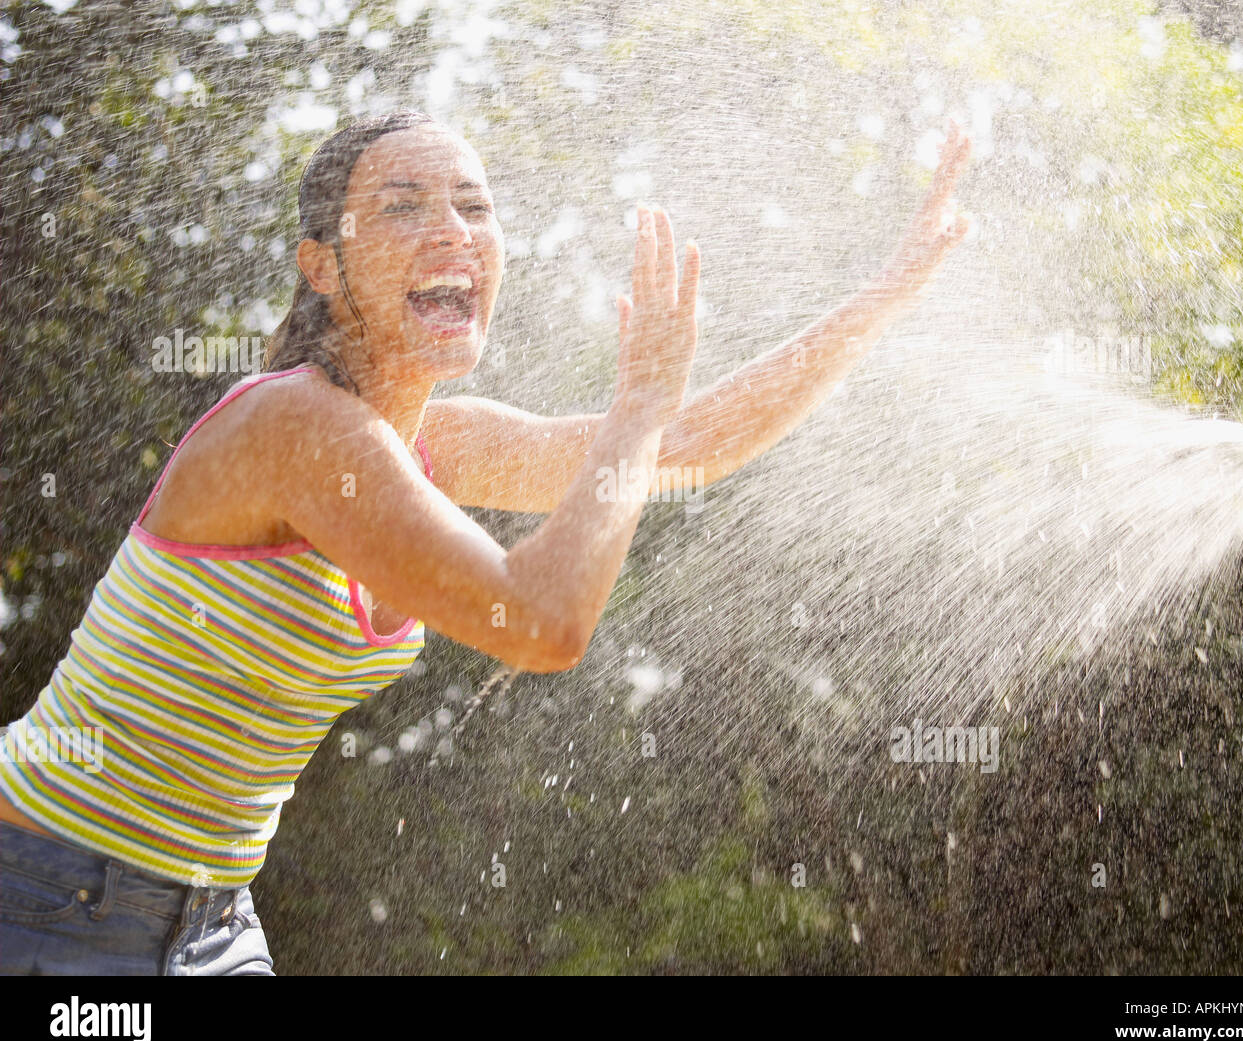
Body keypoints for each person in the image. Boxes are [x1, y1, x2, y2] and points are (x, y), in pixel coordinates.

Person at [0, 109, 970, 975]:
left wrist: (879, 300)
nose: (452, 229)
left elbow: (682, 448)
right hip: (39, 892)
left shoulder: (440, 447)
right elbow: (544, 622)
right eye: (402, 206)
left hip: (207, 919)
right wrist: (636, 404)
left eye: (473, 205)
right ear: (324, 269)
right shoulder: (295, 429)